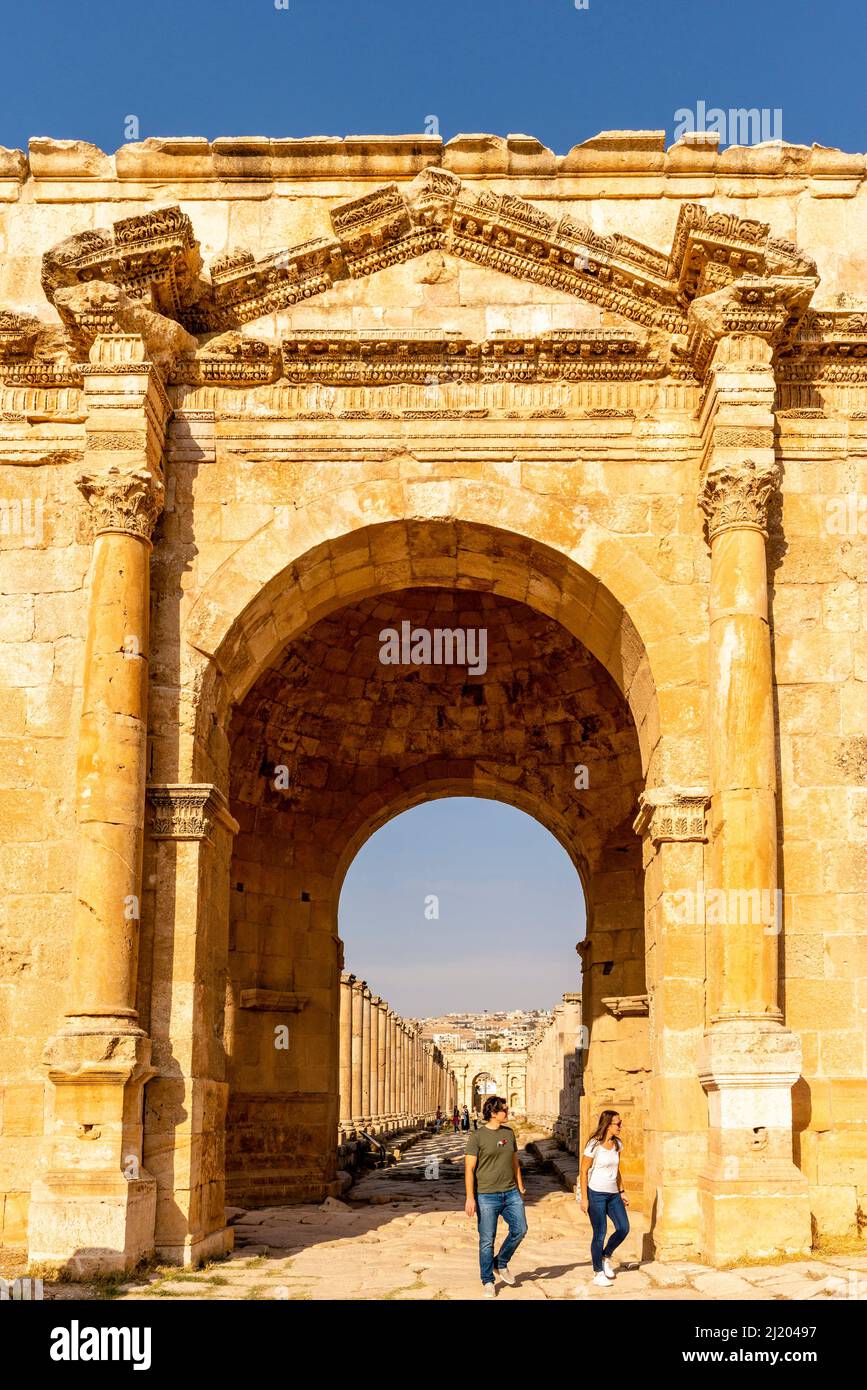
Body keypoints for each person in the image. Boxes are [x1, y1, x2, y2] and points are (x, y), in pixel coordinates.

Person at [464, 1096, 527, 1298]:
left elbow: (515, 1161)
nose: (507, 1112)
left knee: (520, 1229)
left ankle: (501, 1262)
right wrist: (470, 1197)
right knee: (486, 1240)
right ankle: (488, 1281)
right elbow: (469, 1169)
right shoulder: (477, 1136)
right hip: (486, 1194)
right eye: (504, 1110)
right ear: (493, 1113)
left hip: (510, 1192)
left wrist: (520, 1184)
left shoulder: (509, 1133)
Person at [577, 1109, 629, 1288]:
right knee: (599, 1233)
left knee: (623, 1228)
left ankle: (606, 1255)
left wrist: (622, 1192)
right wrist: (585, 1198)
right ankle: (598, 1272)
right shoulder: (593, 1144)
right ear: (607, 1125)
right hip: (595, 1194)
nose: (620, 1127)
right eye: (618, 1124)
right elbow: (583, 1171)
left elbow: (617, 1170)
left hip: (613, 1194)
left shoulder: (618, 1144)